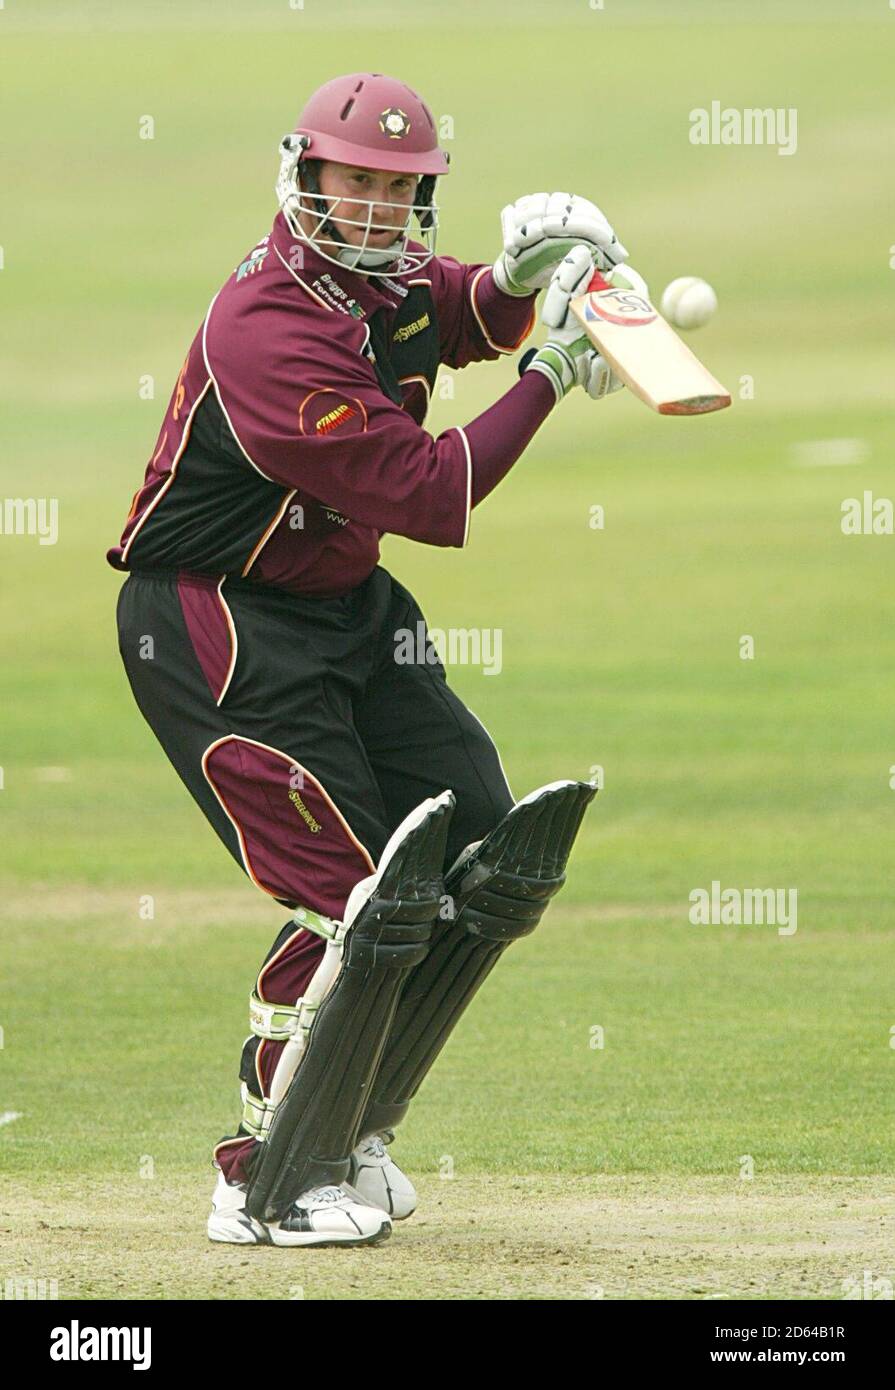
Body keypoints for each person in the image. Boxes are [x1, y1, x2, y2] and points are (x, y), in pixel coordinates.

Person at [108, 72, 630, 1248]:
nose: (377, 206)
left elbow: (461, 316)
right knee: (354, 894)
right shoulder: (269, 326)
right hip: (218, 623)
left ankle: (346, 1127)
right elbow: (428, 487)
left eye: (401, 188)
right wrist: (547, 373)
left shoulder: (382, 280)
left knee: (485, 850)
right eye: (355, 181)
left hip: (344, 607)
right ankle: (263, 1175)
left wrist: (526, 281)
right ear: (305, 176)